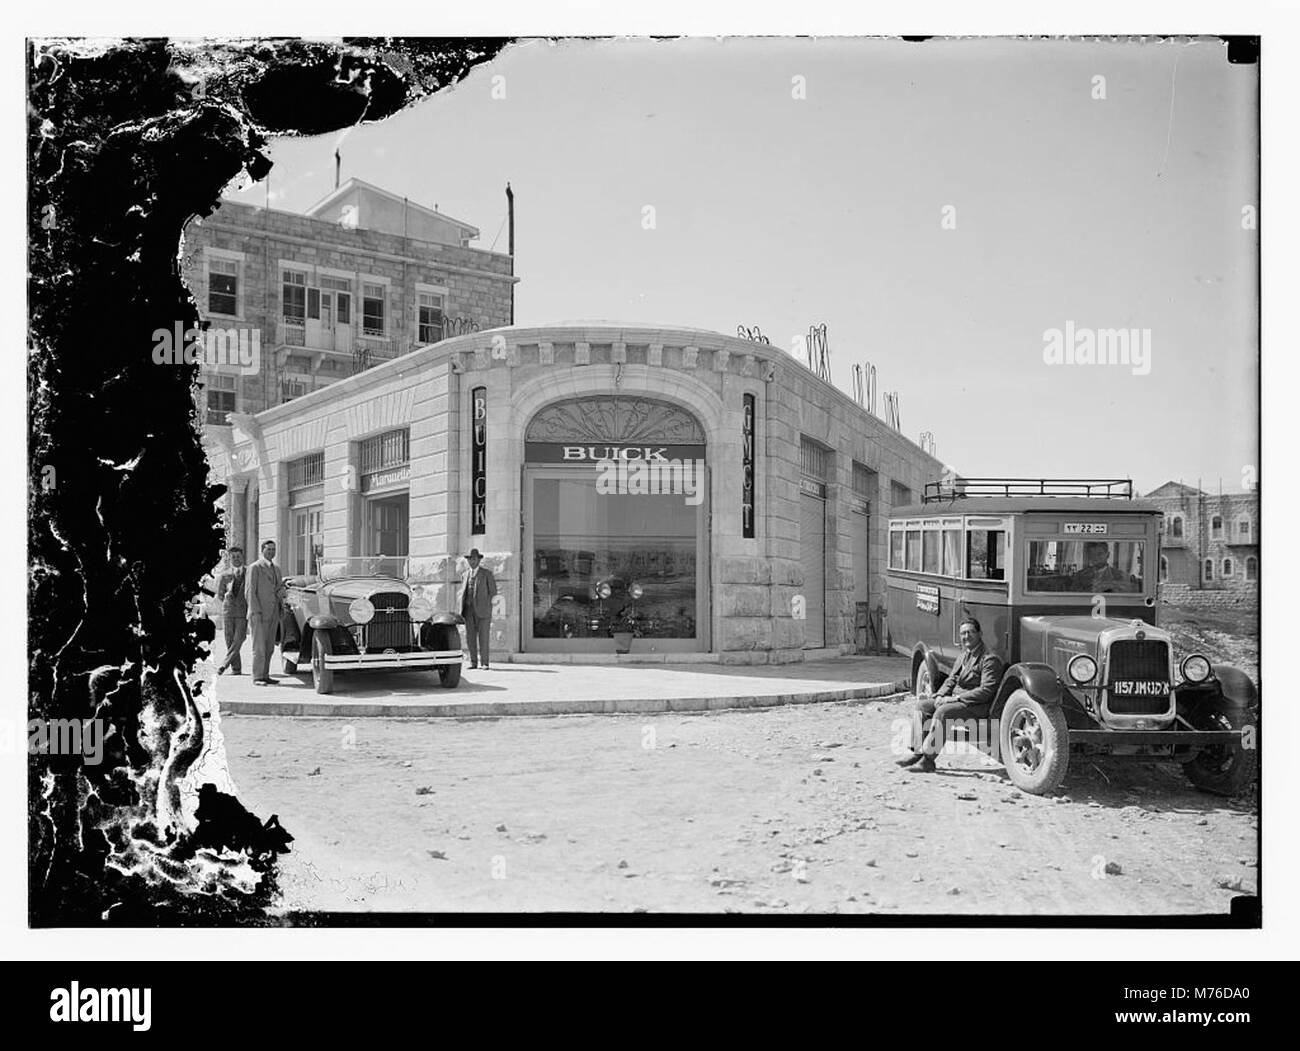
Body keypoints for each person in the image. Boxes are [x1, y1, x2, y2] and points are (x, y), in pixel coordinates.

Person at [896, 617, 1004, 773]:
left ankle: (928, 760)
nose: (966, 637)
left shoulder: (989, 659)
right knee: (922, 706)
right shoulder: (963, 655)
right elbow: (951, 680)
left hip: (976, 706)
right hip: (957, 701)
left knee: (943, 712)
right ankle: (917, 753)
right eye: (963, 633)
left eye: (970, 632)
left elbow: (986, 690)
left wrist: (954, 698)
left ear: (980, 634)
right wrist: (938, 696)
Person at [246, 539, 287, 686]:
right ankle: (257, 677)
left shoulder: (276, 568)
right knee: (259, 648)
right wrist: (255, 611)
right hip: (259, 614)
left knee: (269, 647)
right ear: (262, 550)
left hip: (274, 613)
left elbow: (278, 588)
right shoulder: (255, 567)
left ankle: (265, 675)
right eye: (268, 549)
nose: (271, 552)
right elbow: (250, 592)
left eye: (273, 549)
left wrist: (282, 591)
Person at [459, 548, 497, 669]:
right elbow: (463, 593)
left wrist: (488, 608)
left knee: (484, 637)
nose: (472, 561)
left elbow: (493, 593)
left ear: (479, 560)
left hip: (483, 611)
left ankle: (485, 663)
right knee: (470, 638)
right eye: (470, 559)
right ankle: (473, 662)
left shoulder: (487, 574)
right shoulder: (465, 574)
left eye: (474, 559)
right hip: (468, 610)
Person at [215, 547, 247, 675]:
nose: (236, 559)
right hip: (228, 611)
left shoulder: (249, 572)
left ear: (242, 557)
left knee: (239, 638)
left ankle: (224, 664)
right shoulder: (225, 575)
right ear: (230, 558)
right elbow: (220, 594)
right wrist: (229, 605)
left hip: (243, 612)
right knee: (229, 639)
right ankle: (236, 668)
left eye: (238, 556)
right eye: (233, 557)